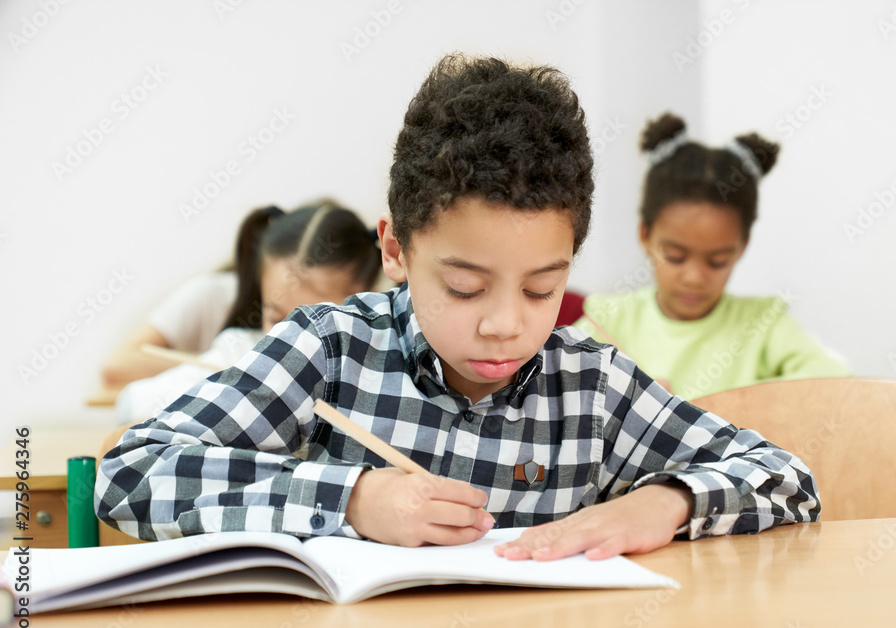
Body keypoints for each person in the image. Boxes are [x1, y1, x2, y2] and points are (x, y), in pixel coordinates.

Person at [96, 54, 819, 562]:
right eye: (466, 287)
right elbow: (129, 471)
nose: (506, 322)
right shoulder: (329, 350)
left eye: (542, 288)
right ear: (396, 250)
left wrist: (660, 503)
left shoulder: (591, 387)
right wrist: (351, 498)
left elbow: (785, 475)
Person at [574, 113, 849, 400]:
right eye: (675, 256)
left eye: (717, 261)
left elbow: (835, 380)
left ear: (741, 247)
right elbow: (558, 390)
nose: (694, 278)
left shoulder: (762, 326)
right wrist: (622, 397)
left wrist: (739, 409)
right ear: (645, 235)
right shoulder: (609, 322)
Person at [113, 203, 382, 423]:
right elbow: (132, 404)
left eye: (316, 322)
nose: (289, 336)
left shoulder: (380, 370)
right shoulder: (242, 352)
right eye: (276, 318)